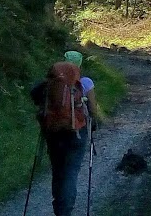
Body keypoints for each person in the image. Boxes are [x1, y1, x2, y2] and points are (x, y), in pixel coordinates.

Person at [30, 50, 106, 216]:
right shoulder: (84, 82)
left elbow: (34, 96)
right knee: (70, 172)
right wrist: (95, 124)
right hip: (75, 132)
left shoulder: (51, 83)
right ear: (79, 65)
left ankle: (59, 210)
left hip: (53, 131)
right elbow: (93, 109)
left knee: (58, 171)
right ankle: (65, 212)